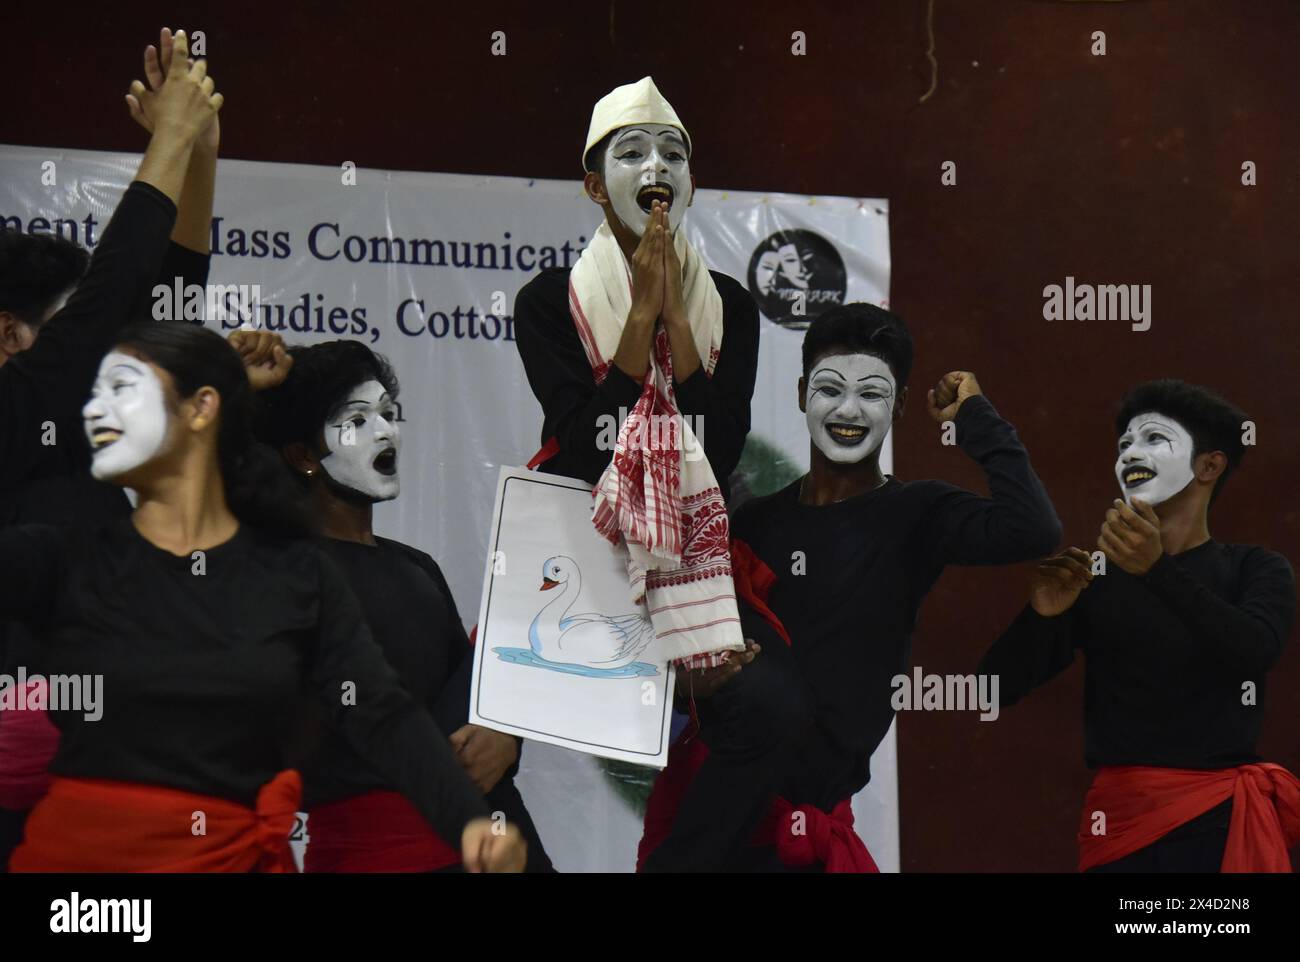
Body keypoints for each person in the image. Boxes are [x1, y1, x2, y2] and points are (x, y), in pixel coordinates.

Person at [1, 322, 526, 872]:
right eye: (97, 394)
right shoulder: (64, 558)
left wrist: (471, 823)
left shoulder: (292, 577)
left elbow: (384, 716)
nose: (94, 411)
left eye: (126, 390)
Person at [639, 302, 1062, 871]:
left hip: (807, 838)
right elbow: (684, 647)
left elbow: (1033, 528)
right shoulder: (751, 522)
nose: (848, 410)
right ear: (800, 393)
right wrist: (698, 680)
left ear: (901, 405)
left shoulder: (919, 512)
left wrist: (974, 417)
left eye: (873, 394)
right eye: (831, 388)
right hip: (712, 817)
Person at [256, 339, 553, 872]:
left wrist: (506, 737)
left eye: (389, 414)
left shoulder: (417, 567)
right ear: (302, 455)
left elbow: (475, 699)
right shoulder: (283, 573)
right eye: (358, 419)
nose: (386, 430)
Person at [977, 379, 1298, 872]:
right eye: (1124, 443)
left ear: (1209, 465)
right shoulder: (1097, 576)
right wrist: (1041, 617)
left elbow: (1255, 648)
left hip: (1217, 824)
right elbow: (989, 691)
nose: (1130, 453)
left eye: (1153, 438)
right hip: (1122, 825)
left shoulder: (1256, 568)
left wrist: (1157, 570)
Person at [513, 76, 759, 668]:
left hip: (697, 559)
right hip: (583, 546)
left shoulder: (731, 306)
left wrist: (675, 317)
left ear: (691, 186)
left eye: (674, 155)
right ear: (595, 187)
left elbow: (720, 450)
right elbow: (586, 448)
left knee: (764, 706)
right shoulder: (550, 301)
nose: (658, 166)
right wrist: (640, 314)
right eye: (632, 153)